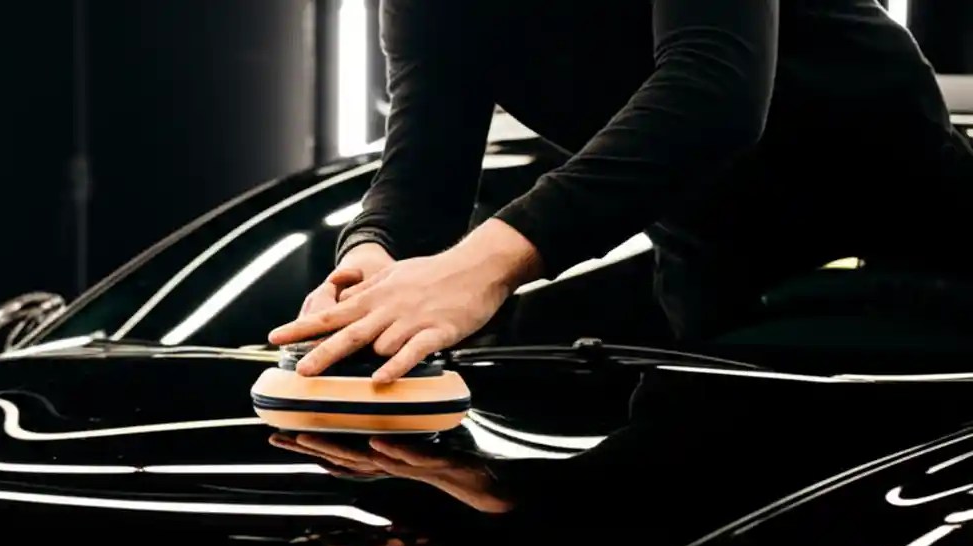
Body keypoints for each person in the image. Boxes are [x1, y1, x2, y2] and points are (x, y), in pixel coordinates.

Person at [269, 0, 973, 383]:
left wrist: (483, 267)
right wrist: (373, 252)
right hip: (723, 302)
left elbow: (715, 89)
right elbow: (421, 183)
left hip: (924, 269)